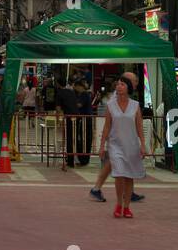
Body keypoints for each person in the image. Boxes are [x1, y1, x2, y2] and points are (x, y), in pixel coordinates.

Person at [89, 72, 145, 204]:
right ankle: (117, 195)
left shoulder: (133, 102)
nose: (136, 83)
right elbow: (109, 123)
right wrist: (103, 143)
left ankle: (102, 189)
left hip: (127, 142)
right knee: (116, 167)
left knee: (114, 166)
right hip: (116, 141)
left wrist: (141, 144)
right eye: (134, 81)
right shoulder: (115, 99)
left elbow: (138, 125)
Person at [54, 75, 80, 169]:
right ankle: (73, 159)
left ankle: (70, 161)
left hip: (69, 117)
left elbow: (58, 108)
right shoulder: (71, 91)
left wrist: (58, 120)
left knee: (69, 138)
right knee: (74, 138)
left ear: (58, 84)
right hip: (78, 116)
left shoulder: (59, 93)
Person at [74, 78, 95, 167]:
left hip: (85, 120)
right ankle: (83, 159)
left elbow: (79, 105)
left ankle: (84, 159)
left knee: (84, 139)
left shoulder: (84, 94)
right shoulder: (84, 94)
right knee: (83, 139)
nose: (75, 89)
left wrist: (70, 103)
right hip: (84, 119)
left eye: (76, 87)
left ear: (79, 86)